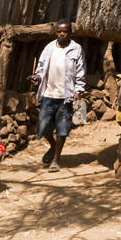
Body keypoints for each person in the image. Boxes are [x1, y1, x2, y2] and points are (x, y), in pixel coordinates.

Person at [29, 19, 85, 171]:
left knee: (62, 128)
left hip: (66, 96)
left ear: (69, 33)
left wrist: (78, 91)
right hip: (49, 94)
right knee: (42, 125)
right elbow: (41, 68)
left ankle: (55, 160)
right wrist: (37, 77)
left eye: (65, 31)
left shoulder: (76, 49)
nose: (61, 34)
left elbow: (80, 72)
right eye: (59, 31)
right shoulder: (49, 48)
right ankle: (53, 146)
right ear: (55, 32)